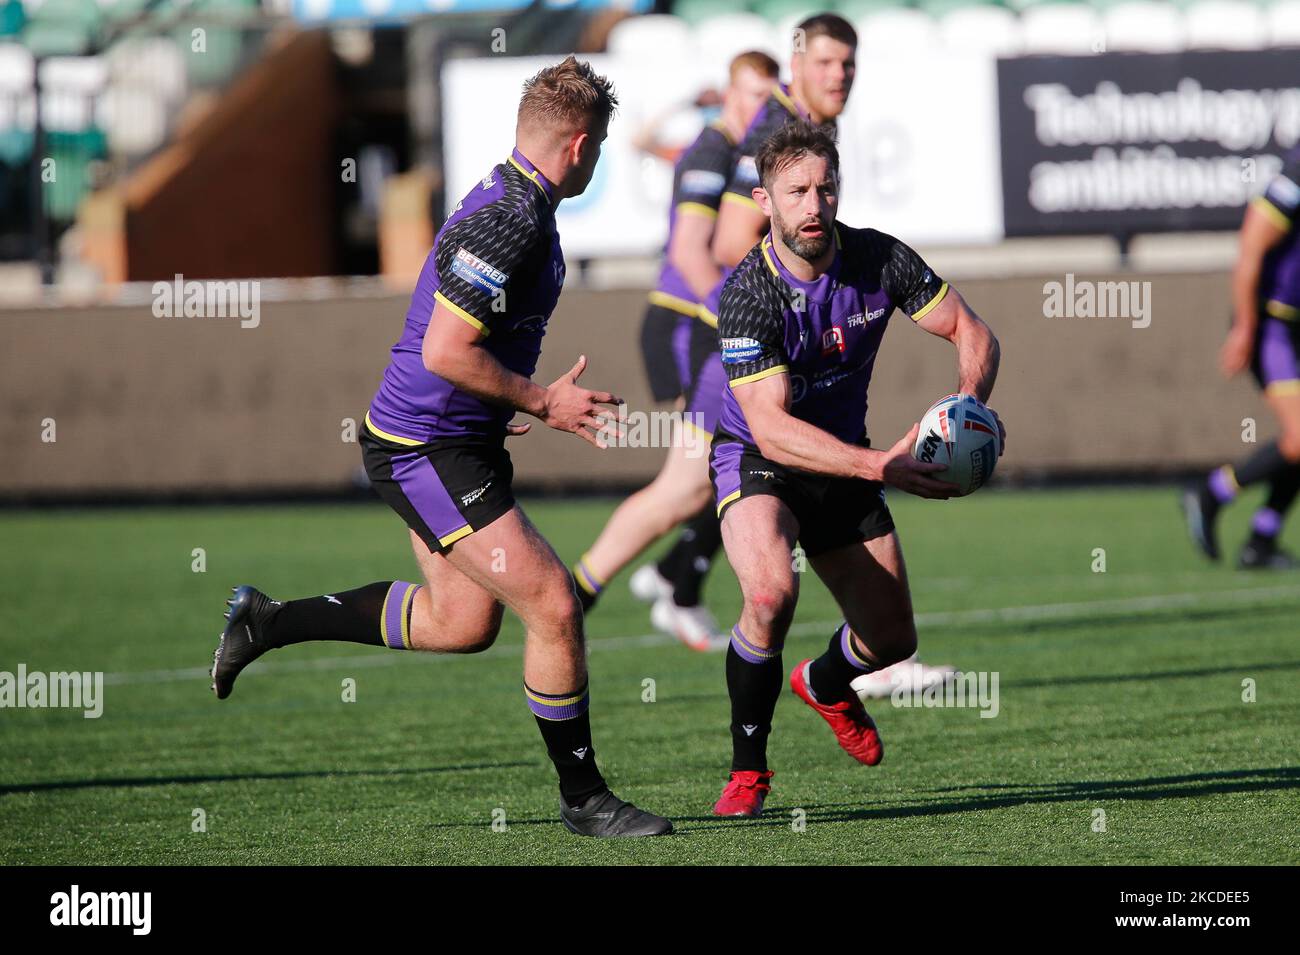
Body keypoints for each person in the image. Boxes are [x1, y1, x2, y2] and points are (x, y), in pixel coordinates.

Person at [208, 56, 671, 838]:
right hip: (424, 450)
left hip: (454, 440)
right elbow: (446, 352)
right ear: (581, 146)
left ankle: (267, 621)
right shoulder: (510, 218)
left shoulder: (519, 201)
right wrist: (540, 397)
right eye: (601, 147)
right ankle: (585, 798)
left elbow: (464, 345)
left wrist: (497, 400)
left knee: (463, 622)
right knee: (555, 604)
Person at [707, 123, 1004, 817]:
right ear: (764, 200)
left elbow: (974, 331)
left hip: (844, 459)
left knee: (894, 639)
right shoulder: (749, 292)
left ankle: (827, 680)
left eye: (825, 187)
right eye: (797, 191)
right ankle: (749, 768)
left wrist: (966, 407)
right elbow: (773, 430)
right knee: (771, 593)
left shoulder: (879, 258)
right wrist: (882, 466)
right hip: (759, 459)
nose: (814, 204)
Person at [571, 51, 779, 650]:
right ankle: (580, 592)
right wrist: (743, 314)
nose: (759, 108)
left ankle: (675, 582)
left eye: (770, 98)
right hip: (688, 322)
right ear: (727, 94)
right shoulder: (712, 150)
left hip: (703, 322)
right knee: (690, 483)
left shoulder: (739, 156)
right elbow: (694, 251)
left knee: (741, 468)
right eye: (749, 95)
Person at [1184, 147, 1300, 569]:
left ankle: (1262, 540)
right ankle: (1213, 492)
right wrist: (1245, 328)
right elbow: (1251, 246)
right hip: (1275, 327)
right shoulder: (1296, 175)